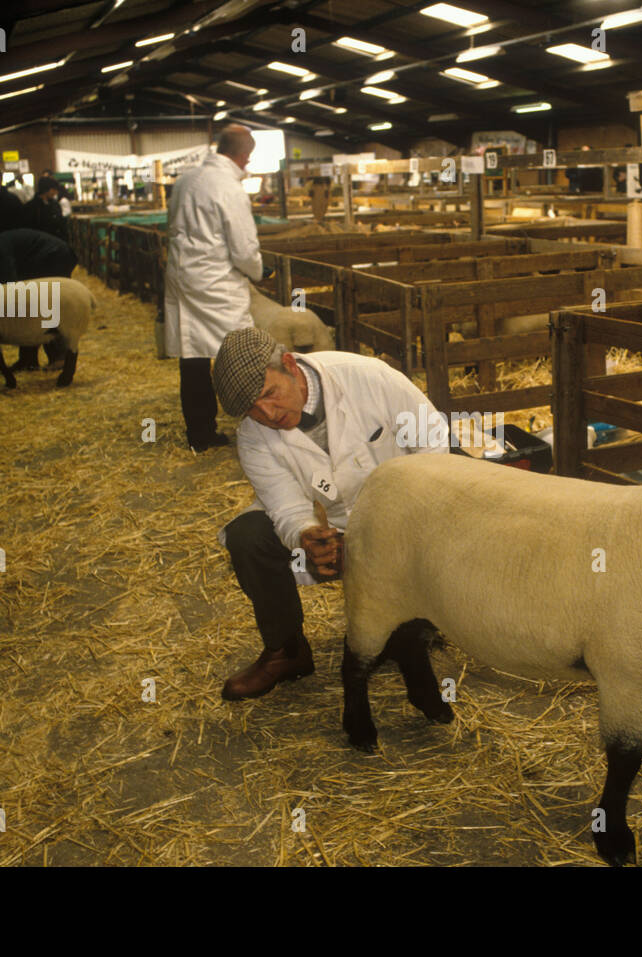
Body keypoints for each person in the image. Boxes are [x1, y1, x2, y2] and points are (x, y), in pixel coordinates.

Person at [210, 327, 449, 701]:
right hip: (331, 523)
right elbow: (286, 506)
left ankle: (424, 615)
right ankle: (286, 652)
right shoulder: (253, 437)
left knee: (464, 486)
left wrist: (398, 523)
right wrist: (307, 535)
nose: (267, 414)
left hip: (402, 513)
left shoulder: (369, 377)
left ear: (289, 364)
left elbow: (433, 443)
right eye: (252, 410)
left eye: (269, 395)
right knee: (248, 535)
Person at [164, 124, 265, 452]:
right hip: (216, 281)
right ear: (243, 155)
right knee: (241, 352)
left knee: (192, 357)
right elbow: (243, 248)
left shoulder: (185, 180)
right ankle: (259, 428)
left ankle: (200, 434)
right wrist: (260, 272)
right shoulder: (229, 188)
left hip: (183, 276)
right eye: (248, 159)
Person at [0, 227, 77, 369]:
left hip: (53, 256)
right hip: (49, 255)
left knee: (45, 306)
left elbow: (10, 285)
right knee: (31, 310)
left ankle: (58, 356)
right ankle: (28, 359)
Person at [25, 176, 67, 241]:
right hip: (39, 242)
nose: (56, 192)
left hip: (55, 242)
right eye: (53, 190)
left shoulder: (55, 204)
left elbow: (60, 224)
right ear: (46, 190)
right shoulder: (31, 207)